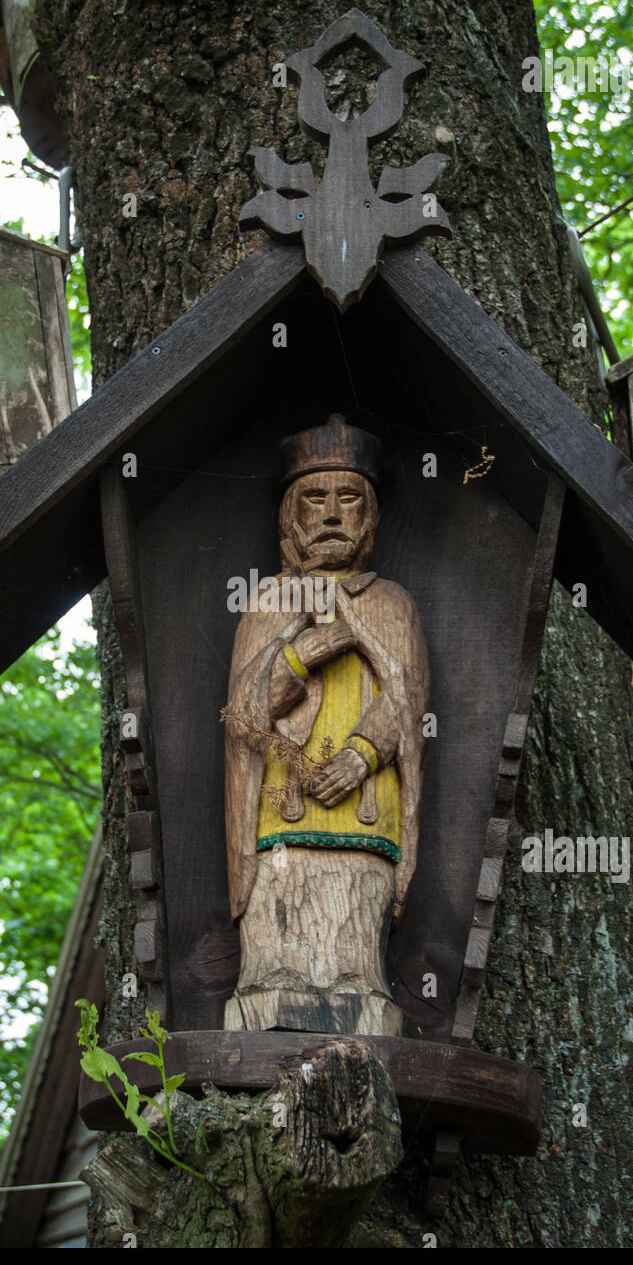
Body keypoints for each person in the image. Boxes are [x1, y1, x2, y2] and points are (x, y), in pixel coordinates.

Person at [223, 413, 430, 1034]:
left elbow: (407, 694)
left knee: (352, 914)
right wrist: (311, 647)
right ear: (292, 515)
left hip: (365, 805)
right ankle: (269, 988)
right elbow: (245, 714)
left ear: (369, 514)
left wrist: (362, 754)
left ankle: (357, 987)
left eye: (349, 499)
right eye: (316, 498)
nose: (332, 514)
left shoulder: (393, 603)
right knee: (282, 912)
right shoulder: (267, 602)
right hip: (280, 805)